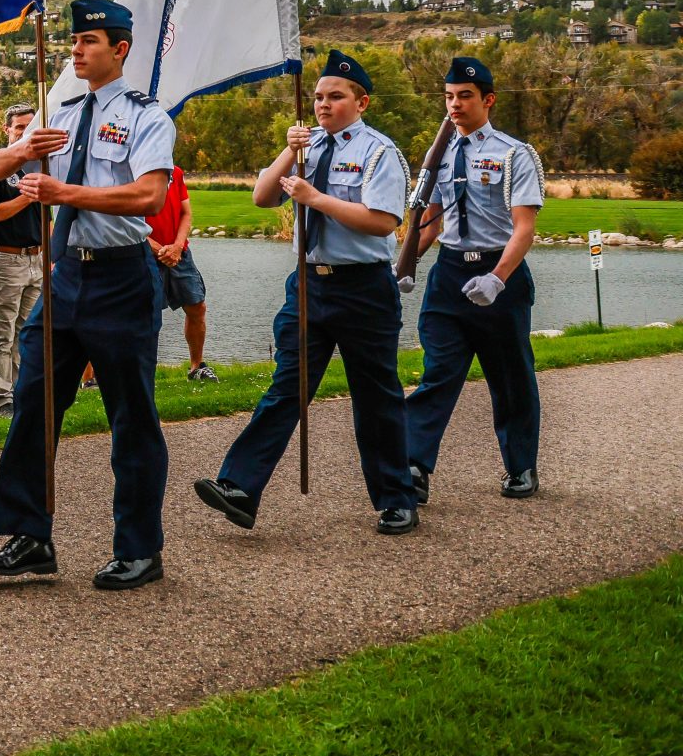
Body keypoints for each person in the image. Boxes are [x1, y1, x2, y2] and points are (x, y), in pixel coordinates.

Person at [0, 0, 174, 592]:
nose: (77, 51)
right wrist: (21, 152)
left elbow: (149, 197)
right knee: (33, 403)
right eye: (73, 42)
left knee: (130, 415)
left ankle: (139, 549)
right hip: (65, 280)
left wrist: (66, 194)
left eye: (89, 41)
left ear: (121, 49)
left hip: (121, 277)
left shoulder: (145, 117)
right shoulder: (59, 113)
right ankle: (29, 536)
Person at [194, 50, 418, 534]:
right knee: (286, 388)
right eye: (318, 97)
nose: (323, 105)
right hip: (309, 285)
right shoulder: (308, 146)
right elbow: (262, 196)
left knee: (375, 397)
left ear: (361, 102)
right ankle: (240, 487)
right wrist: (288, 151)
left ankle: (396, 498)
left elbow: (383, 221)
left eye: (335, 97)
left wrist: (316, 198)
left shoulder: (380, 152)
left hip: (363, 288)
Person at [403, 56, 546, 501]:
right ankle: (413, 465)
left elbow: (524, 227)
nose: (455, 105)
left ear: (488, 100)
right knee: (438, 373)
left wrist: (498, 279)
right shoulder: (439, 153)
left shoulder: (514, 154)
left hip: (498, 274)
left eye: (465, 96)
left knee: (510, 379)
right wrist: (405, 266)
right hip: (449, 276)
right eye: (448, 97)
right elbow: (431, 216)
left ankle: (520, 467)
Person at [0, 104, 41, 416]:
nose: (24, 132)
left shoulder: (38, 167)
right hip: (7, 257)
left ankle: (21, 393)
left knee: (28, 331)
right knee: (1, 332)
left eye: (30, 126)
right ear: (7, 130)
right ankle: (0, 398)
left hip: (37, 259)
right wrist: (27, 196)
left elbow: (48, 216)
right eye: (19, 127)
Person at [147, 165, 218, 382]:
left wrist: (177, 246)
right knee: (145, 315)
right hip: (143, 253)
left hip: (179, 253)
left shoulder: (174, 173)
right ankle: (142, 371)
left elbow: (185, 212)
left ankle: (196, 367)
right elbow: (126, 221)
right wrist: (159, 250)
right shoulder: (130, 171)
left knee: (197, 306)